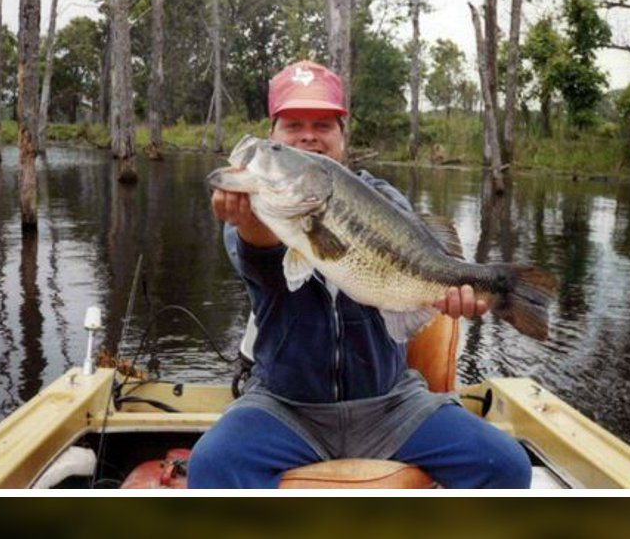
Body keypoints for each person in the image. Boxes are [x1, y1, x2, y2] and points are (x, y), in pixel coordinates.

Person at [188, 60, 531, 488]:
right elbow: (262, 257)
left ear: (343, 137)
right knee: (211, 466)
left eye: (323, 124)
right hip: (285, 406)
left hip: (392, 404)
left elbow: (425, 255)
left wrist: (462, 289)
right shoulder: (250, 211)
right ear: (273, 134)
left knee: (506, 466)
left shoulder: (383, 197)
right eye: (292, 127)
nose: (308, 135)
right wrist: (250, 223)